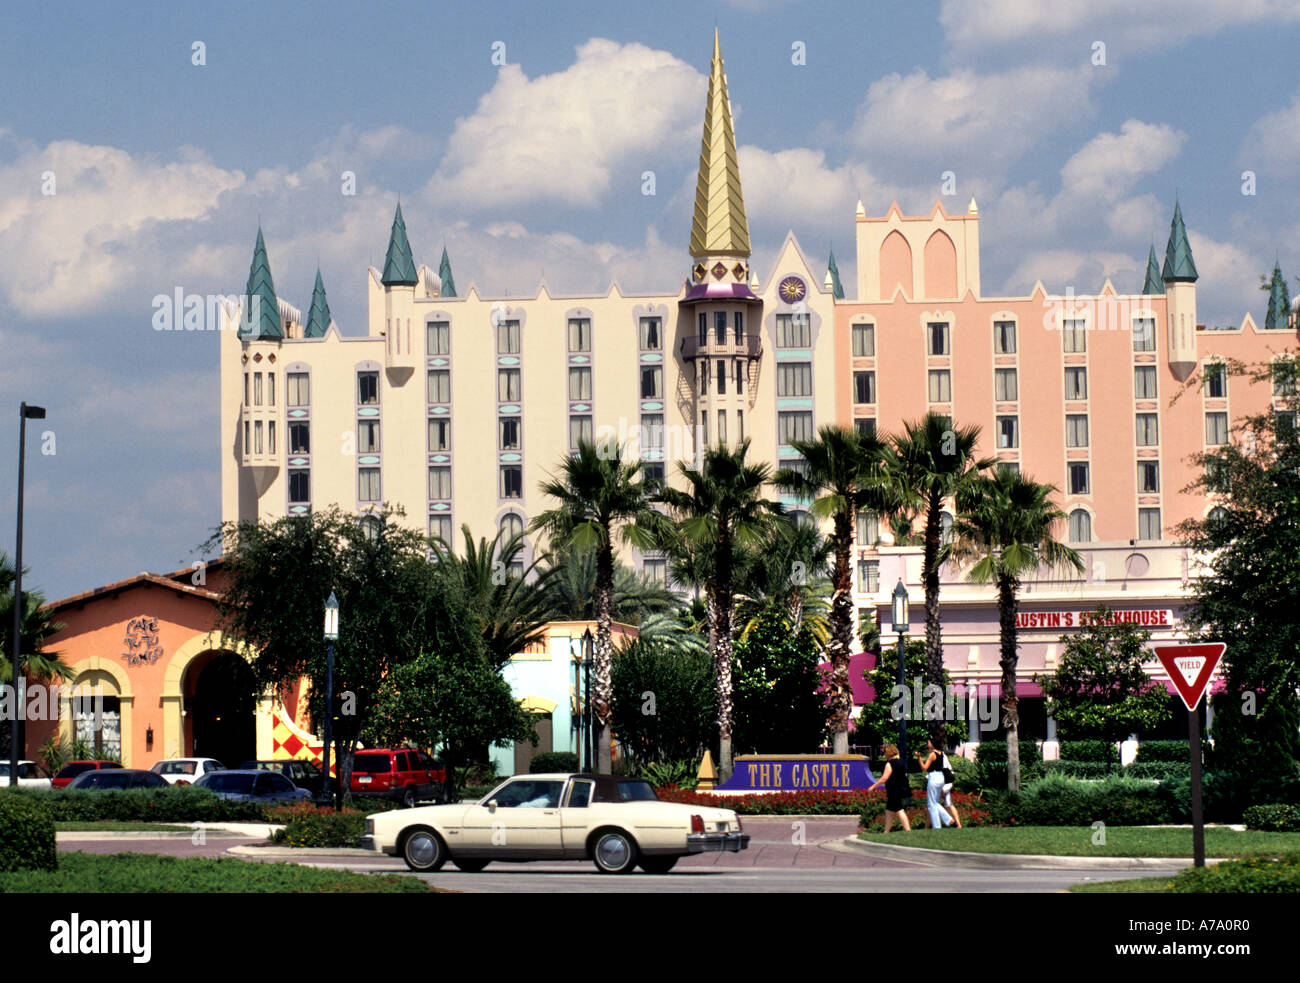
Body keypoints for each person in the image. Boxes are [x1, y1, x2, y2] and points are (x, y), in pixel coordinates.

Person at [866, 744, 911, 833]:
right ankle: (886, 832)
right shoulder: (901, 762)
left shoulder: (890, 763)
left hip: (893, 790)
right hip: (900, 789)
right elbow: (905, 775)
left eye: (885, 753)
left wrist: (873, 787)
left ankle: (908, 831)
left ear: (889, 753)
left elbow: (884, 778)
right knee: (889, 811)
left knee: (899, 810)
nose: (884, 755)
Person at [917, 737, 955, 829]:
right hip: (941, 777)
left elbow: (924, 768)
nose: (927, 744)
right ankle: (948, 820)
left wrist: (919, 758)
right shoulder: (941, 753)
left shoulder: (932, 754)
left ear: (933, 743)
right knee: (934, 802)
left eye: (929, 742)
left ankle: (938, 826)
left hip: (933, 777)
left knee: (931, 804)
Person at [940, 749, 962, 828]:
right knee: (947, 804)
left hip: (943, 783)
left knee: (936, 804)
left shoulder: (939, 756)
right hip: (946, 782)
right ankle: (956, 824)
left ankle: (955, 823)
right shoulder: (943, 756)